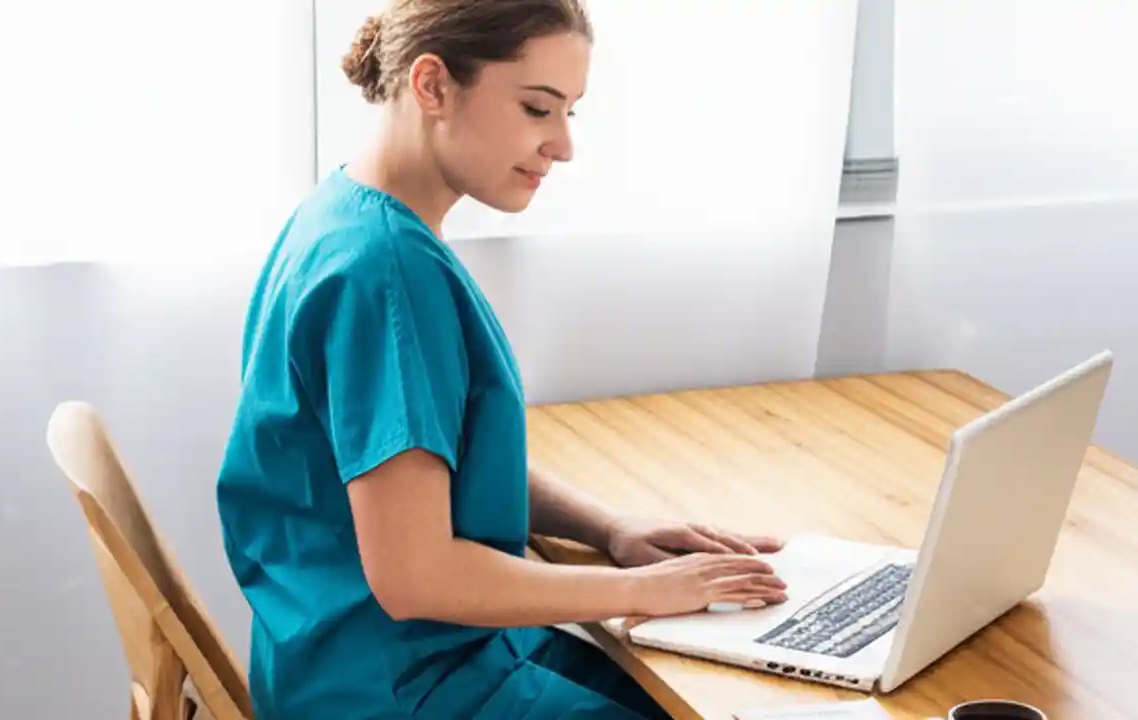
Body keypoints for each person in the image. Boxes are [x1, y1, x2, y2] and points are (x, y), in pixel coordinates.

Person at [216, 1, 788, 717]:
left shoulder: (347, 212)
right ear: (432, 86)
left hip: (369, 657)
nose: (563, 145)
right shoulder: (385, 272)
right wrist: (644, 591)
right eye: (536, 108)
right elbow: (417, 577)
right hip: (399, 687)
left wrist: (610, 530)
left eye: (570, 112)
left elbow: (426, 467)